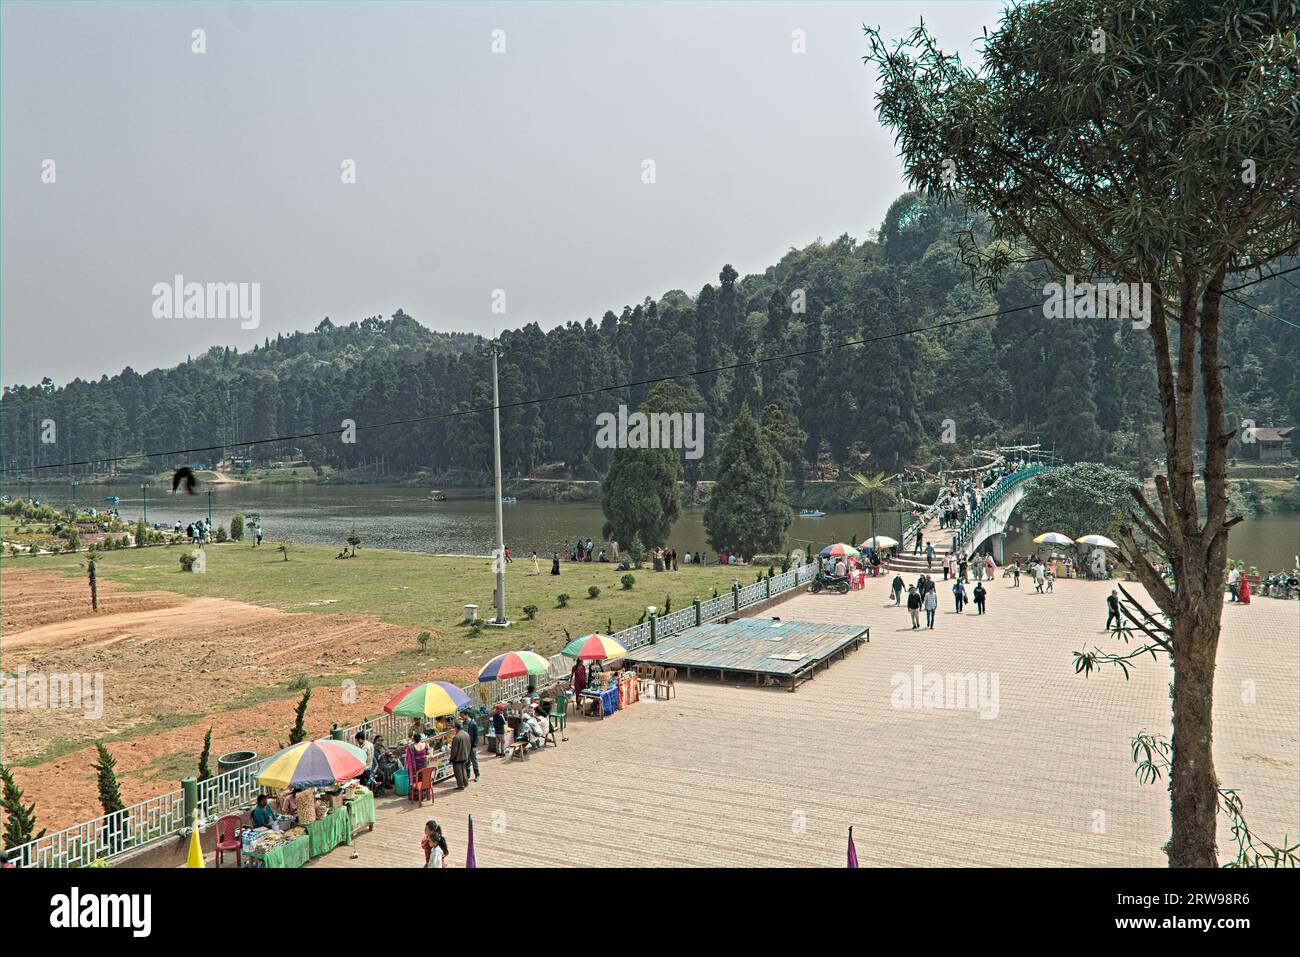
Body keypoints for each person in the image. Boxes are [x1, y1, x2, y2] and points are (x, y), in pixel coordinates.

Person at [449, 720, 472, 790]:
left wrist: (452, 758)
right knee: (463, 770)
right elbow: (469, 745)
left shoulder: (456, 737)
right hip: (465, 756)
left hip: (458, 758)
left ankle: (460, 785)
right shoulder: (466, 734)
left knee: (458, 772)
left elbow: (454, 750)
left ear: (456, 728)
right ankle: (466, 782)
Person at [459, 710, 480, 782]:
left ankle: (477, 774)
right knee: (466, 761)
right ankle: (467, 776)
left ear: (466, 715)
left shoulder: (473, 723)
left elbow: (477, 735)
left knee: (474, 760)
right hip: (465, 746)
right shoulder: (464, 723)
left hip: (471, 746)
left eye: (462, 715)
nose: (461, 717)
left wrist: (475, 746)